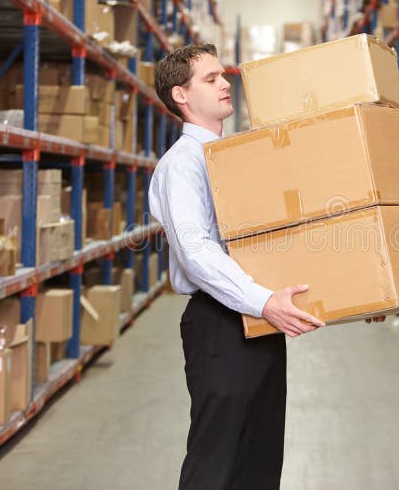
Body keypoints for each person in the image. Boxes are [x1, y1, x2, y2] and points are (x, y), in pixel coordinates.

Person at [148, 43, 325, 490]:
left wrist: (354, 293)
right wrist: (263, 301)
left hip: (259, 319)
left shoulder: (235, 158)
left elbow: (278, 240)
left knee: (258, 458)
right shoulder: (182, 165)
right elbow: (197, 252)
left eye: (222, 75)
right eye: (210, 79)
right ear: (180, 95)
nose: (226, 83)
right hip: (220, 323)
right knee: (217, 461)